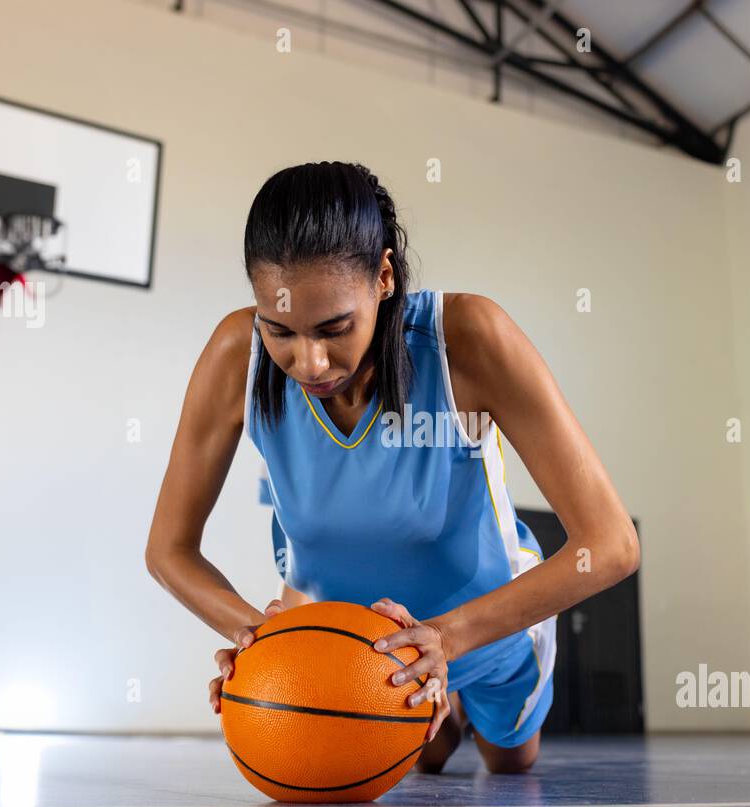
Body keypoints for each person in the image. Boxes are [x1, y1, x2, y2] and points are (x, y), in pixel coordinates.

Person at [146, 161, 639, 775]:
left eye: (334, 328)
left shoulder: (468, 338)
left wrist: (448, 641)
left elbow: (612, 545)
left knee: (510, 763)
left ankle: (466, 701)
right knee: (423, 762)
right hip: (360, 650)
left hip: (485, 630)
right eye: (280, 331)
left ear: (383, 276)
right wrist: (263, 642)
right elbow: (168, 550)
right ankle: (442, 719)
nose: (311, 362)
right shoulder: (234, 357)